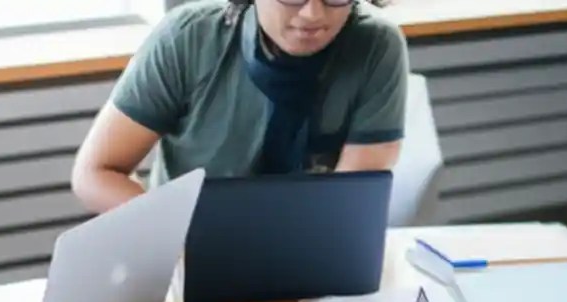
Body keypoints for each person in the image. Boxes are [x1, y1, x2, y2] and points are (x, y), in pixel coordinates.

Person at [71, 0, 409, 214]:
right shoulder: (188, 38)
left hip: (308, 262)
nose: (312, 13)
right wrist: (173, 234)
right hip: (185, 256)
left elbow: (352, 204)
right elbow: (95, 173)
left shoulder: (376, 46)